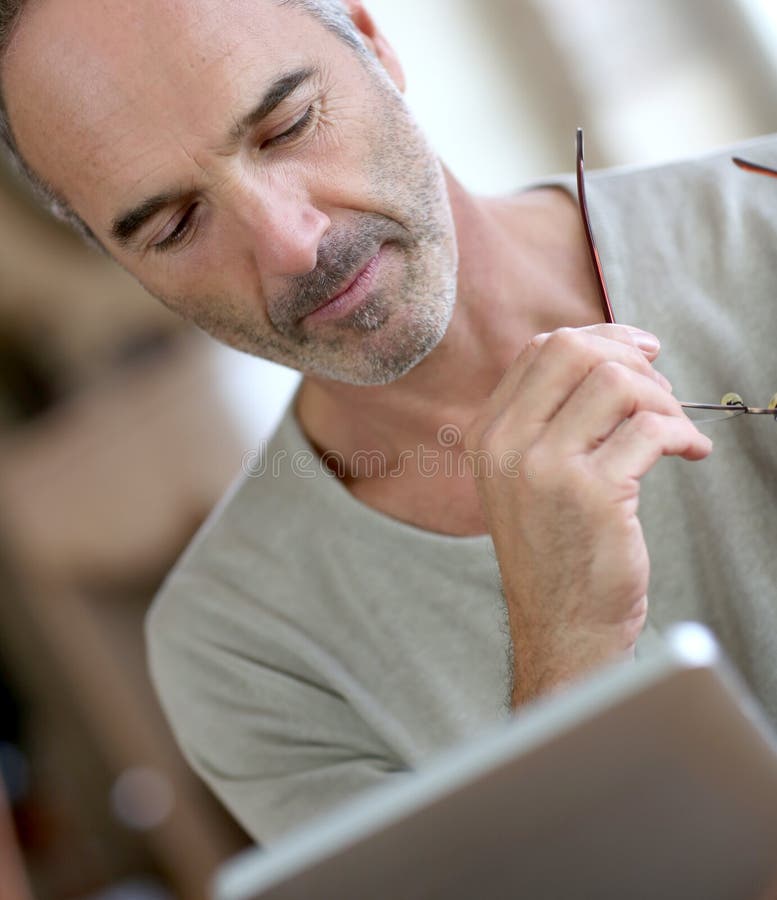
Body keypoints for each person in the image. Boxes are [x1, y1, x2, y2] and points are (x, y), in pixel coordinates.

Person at [1, 0, 775, 845]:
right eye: (177, 225)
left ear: (372, 43)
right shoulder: (238, 653)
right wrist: (567, 652)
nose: (290, 242)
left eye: (287, 125)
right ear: (116, 258)